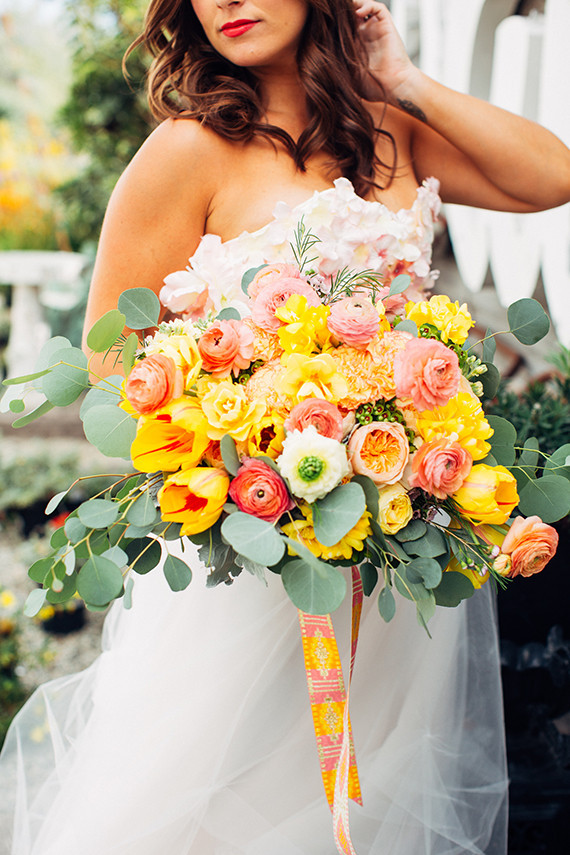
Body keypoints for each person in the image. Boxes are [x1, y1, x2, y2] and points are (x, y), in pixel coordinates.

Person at [2, 2, 570, 853]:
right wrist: (237, 453)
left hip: (393, 565)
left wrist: (406, 81)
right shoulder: (187, 150)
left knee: (368, 808)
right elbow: (113, 368)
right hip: (251, 568)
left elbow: (551, 176)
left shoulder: (392, 127)